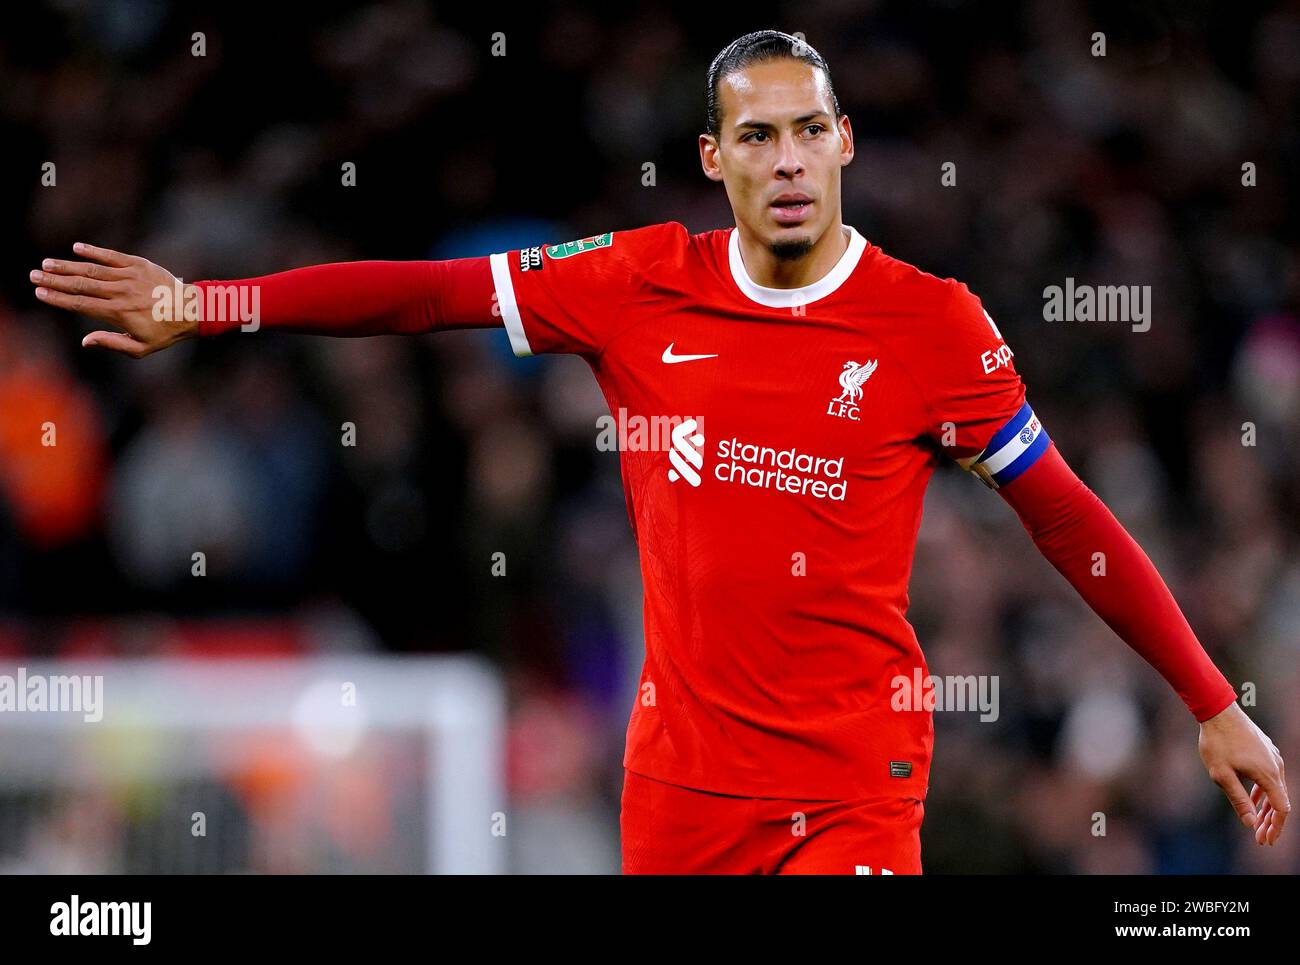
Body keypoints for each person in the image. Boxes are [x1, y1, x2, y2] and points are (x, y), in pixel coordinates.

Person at [29, 29, 1288, 874]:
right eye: (756, 137)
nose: (786, 160)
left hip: (855, 775)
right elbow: (427, 293)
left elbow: (1065, 515)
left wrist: (1210, 699)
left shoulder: (932, 324)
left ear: (843, 141)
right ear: (713, 159)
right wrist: (208, 304)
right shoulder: (635, 285)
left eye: (808, 131)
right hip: (679, 787)